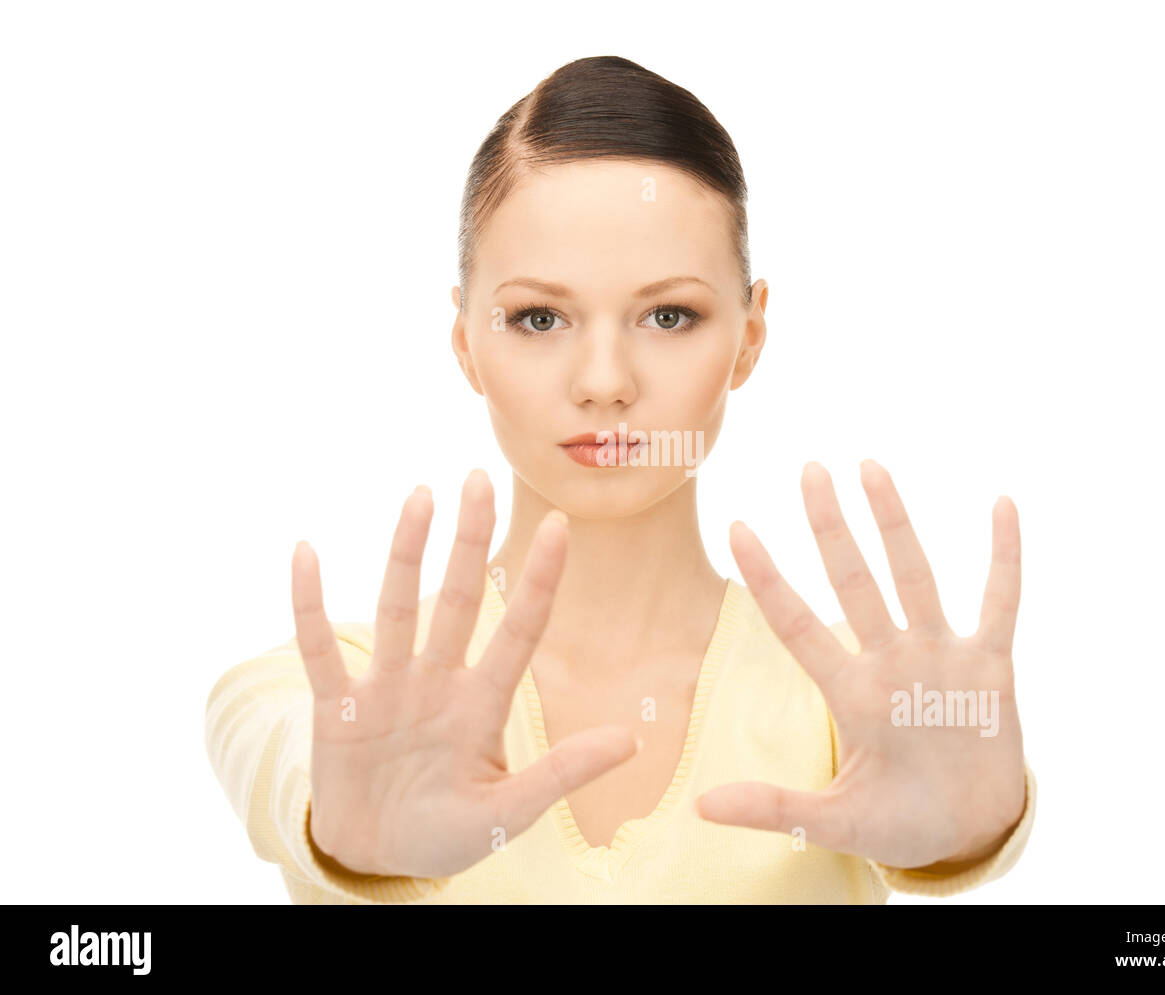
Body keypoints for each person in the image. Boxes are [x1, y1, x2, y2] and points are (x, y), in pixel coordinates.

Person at [204, 54, 1036, 904]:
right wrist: (345, 832)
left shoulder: (858, 699)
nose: (604, 380)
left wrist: (979, 824)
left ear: (750, 336)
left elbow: (947, 782)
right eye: (539, 317)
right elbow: (277, 754)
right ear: (464, 341)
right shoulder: (334, 695)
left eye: (668, 315)